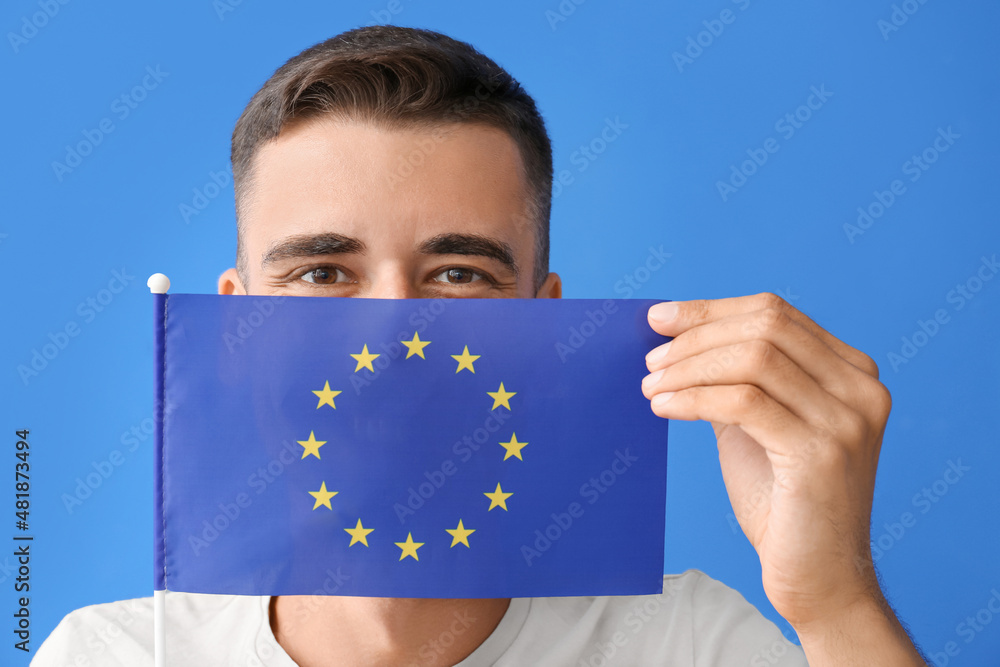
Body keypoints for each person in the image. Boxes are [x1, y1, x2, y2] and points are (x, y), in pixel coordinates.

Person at [34, 25, 927, 666]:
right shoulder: (108, 654)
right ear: (234, 329)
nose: (390, 341)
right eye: (320, 273)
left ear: (545, 324)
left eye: (458, 273)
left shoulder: (688, 642)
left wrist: (834, 601)